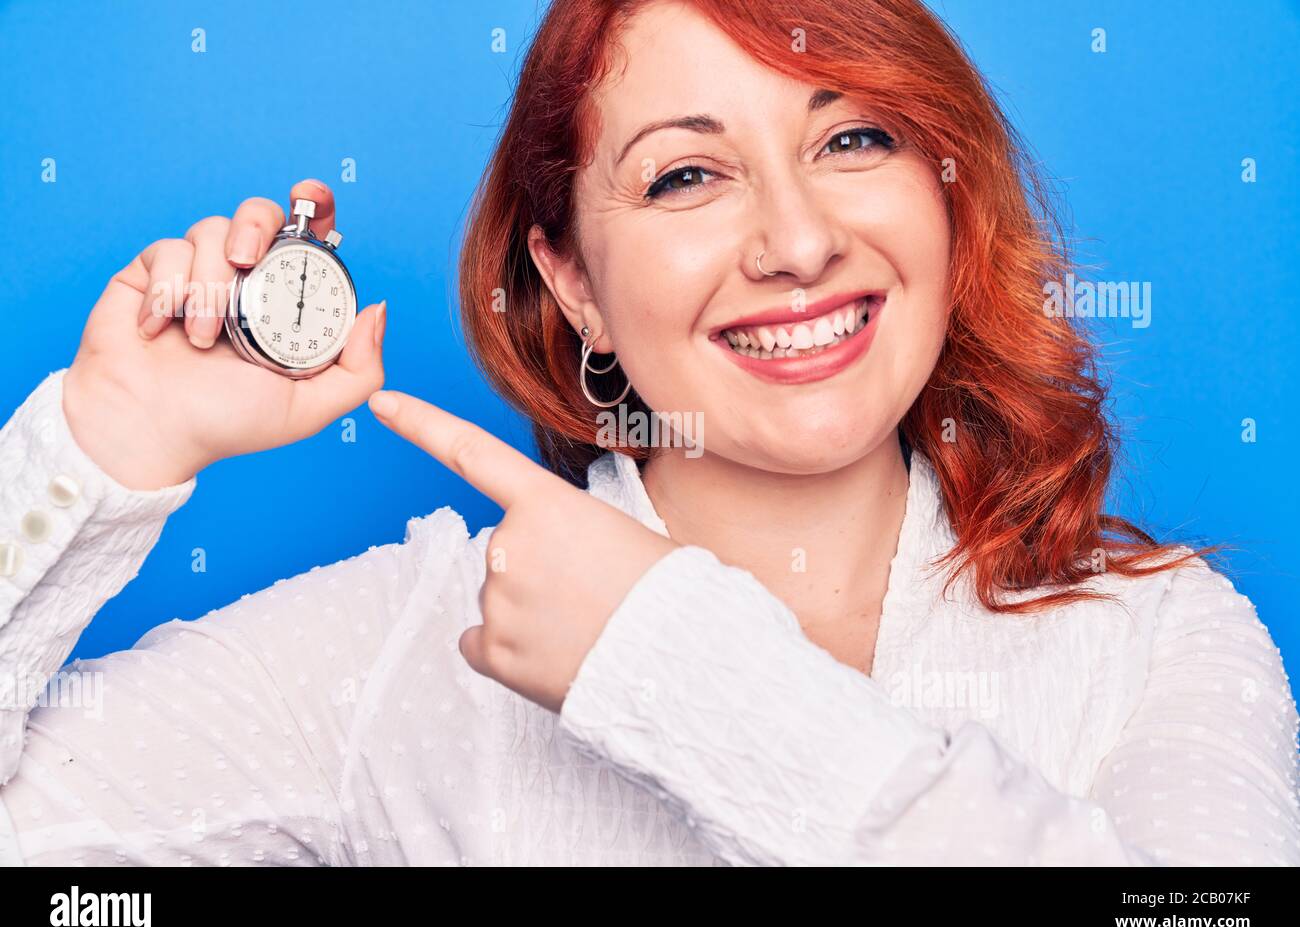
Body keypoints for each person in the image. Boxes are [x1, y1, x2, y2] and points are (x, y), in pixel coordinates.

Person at [1, 0, 1296, 867]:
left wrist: (672, 666)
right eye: (688, 174)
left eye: (853, 138)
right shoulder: (406, 648)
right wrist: (98, 451)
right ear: (570, 282)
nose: (797, 243)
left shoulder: (1159, 637)